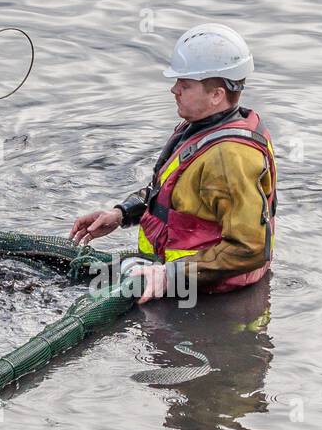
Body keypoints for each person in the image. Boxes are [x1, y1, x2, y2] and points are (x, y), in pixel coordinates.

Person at [70, 24, 277, 302]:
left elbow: (249, 248)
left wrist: (170, 275)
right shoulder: (201, 129)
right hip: (176, 278)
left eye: (185, 84)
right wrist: (121, 214)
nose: (173, 89)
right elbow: (171, 194)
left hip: (211, 297)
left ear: (216, 94)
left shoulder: (231, 156)